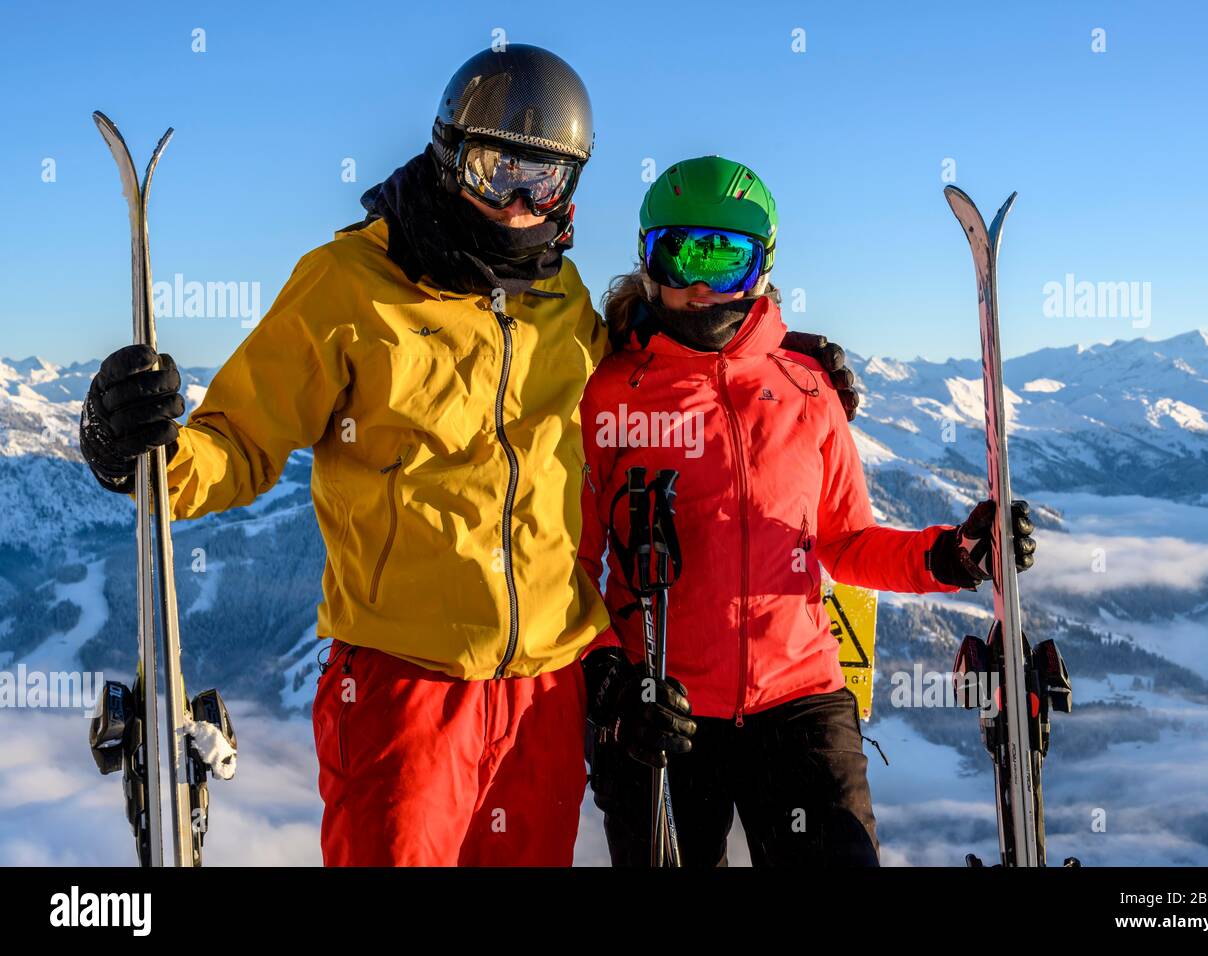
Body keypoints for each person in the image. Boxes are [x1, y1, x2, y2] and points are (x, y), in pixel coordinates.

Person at [77, 47, 856, 866]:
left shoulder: (563, 299)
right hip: (406, 691)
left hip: (547, 698)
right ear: (450, 156)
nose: (520, 206)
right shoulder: (350, 283)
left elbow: (646, 370)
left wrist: (773, 356)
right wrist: (143, 453)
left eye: (543, 183)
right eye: (498, 172)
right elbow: (238, 442)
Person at [578, 156, 1038, 867]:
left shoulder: (806, 389)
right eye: (680, 256)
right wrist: (606, 676)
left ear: (761, 269)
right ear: (647, 262)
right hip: (654, 706)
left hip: (797, 702)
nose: (701, 287)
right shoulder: (606, 395)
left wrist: (951, 556)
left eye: (725, 261)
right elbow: (566, 560)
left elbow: (846, 542)